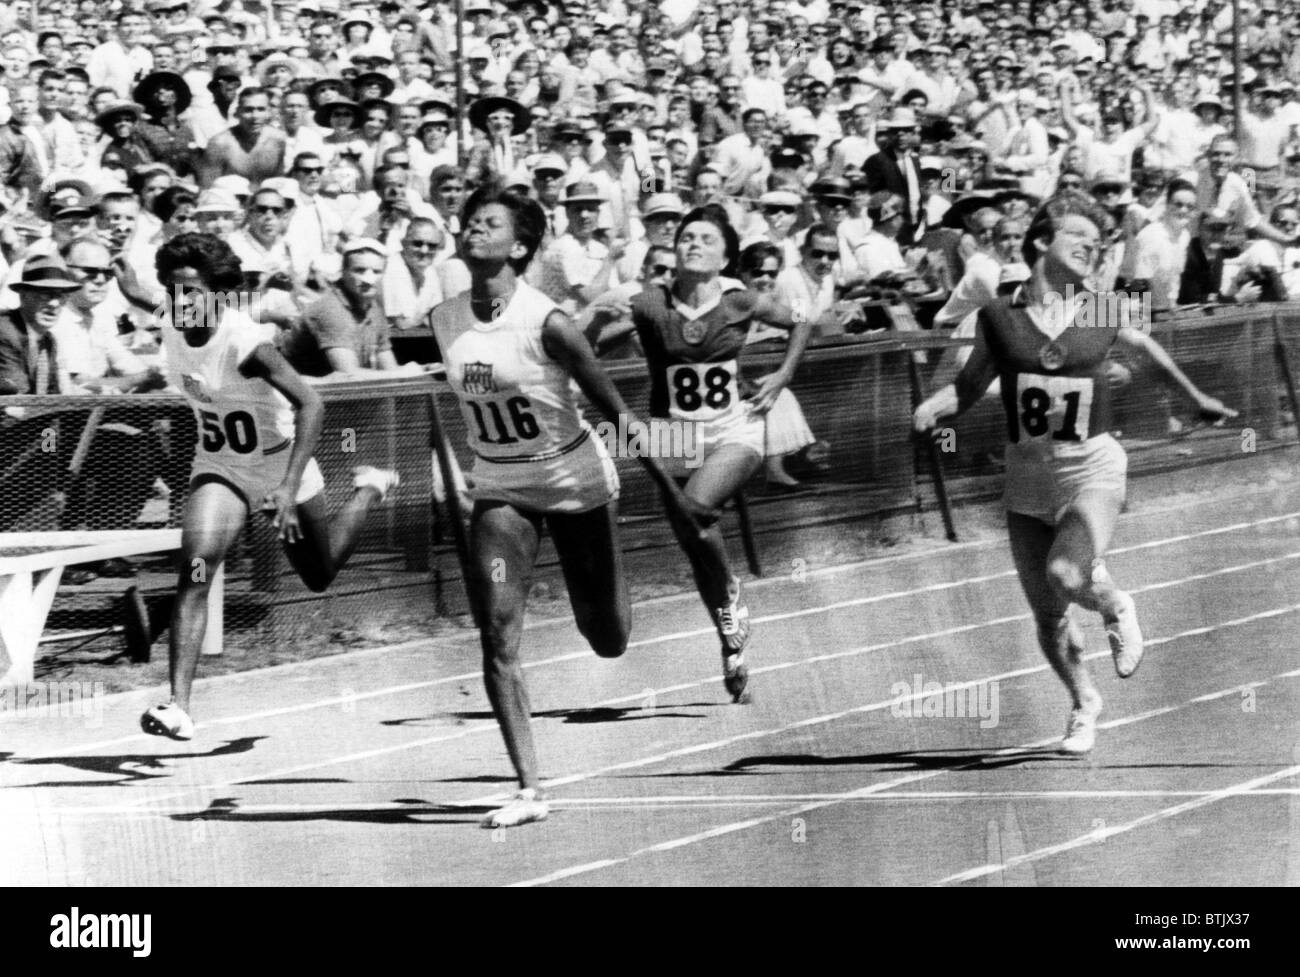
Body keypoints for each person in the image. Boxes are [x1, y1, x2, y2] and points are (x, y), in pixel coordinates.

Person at [913, 192, 1237, 756]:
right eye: (1080, 238)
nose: (1093, 248)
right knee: (1048, 614)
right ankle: (1084, 701)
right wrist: (930, 410)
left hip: (1093, 467)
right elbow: (967, 389)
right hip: (1026, 476)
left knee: (1065, 573)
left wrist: (1195, 396)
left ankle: (1116, 605)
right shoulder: (997, 315)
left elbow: (1145, 351)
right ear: (1041, 242)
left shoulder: (1104, 306)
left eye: (1100, 242)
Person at [430, 184, 712, 828]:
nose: (472, 229)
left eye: (489, 222)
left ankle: (609, 594)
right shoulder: (444, 319)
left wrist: (672, 496)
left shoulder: (548, 322)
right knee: (497, 632)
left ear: (520, 245)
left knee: (608, 638)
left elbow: (616, 413)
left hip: (575, 479)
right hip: (501, 488)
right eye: (469, 221)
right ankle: (529, 788)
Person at [140, 233, 400, 741]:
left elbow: (312, 404)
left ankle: (368, 489)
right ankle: (178, 705)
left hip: (284, 465)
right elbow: (142, 298)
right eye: (173, 290)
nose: (181, 301)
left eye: (192, 291)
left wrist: (285, 487)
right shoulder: (171, 321)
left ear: (218, 294)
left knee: (319, 574)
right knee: (195, 570)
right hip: (220, 465)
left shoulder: (246, 344)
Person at [630, 203, 822, 703]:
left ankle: (732, 592)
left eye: (706, 239)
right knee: (696, 542)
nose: (692, 243)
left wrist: (783, 375)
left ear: (724, 258)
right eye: (686, 237)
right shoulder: (648, 303)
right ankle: (730, 641)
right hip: (672, 434)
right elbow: (587, 335)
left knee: (696, 508)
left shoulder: (741, 301)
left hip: (735, 429)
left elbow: (803, 317)